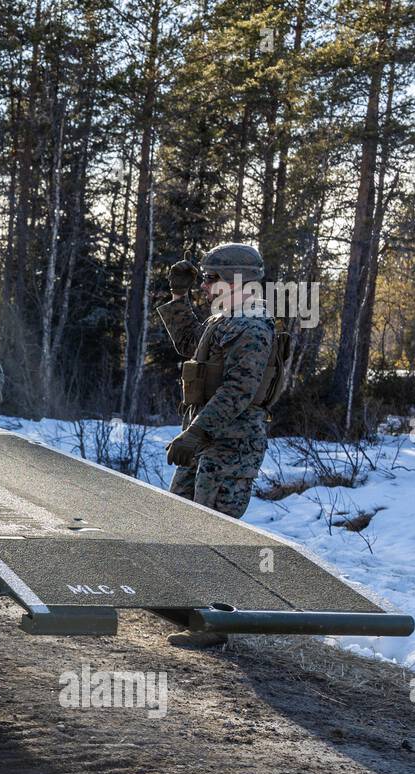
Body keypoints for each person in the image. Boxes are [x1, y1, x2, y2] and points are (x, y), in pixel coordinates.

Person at [156, 243, 277, 649]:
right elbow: (190, 344)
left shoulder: (254, 326)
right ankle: (190, 609)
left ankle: (216, 624)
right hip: (207, 440)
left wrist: (196, 433)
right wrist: (177, 298)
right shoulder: (224, 320)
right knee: (184, 521)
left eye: (210, 278)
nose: (204, 286)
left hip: (230, 446)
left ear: (235, 281)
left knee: (216, 531)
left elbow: (237, 392)